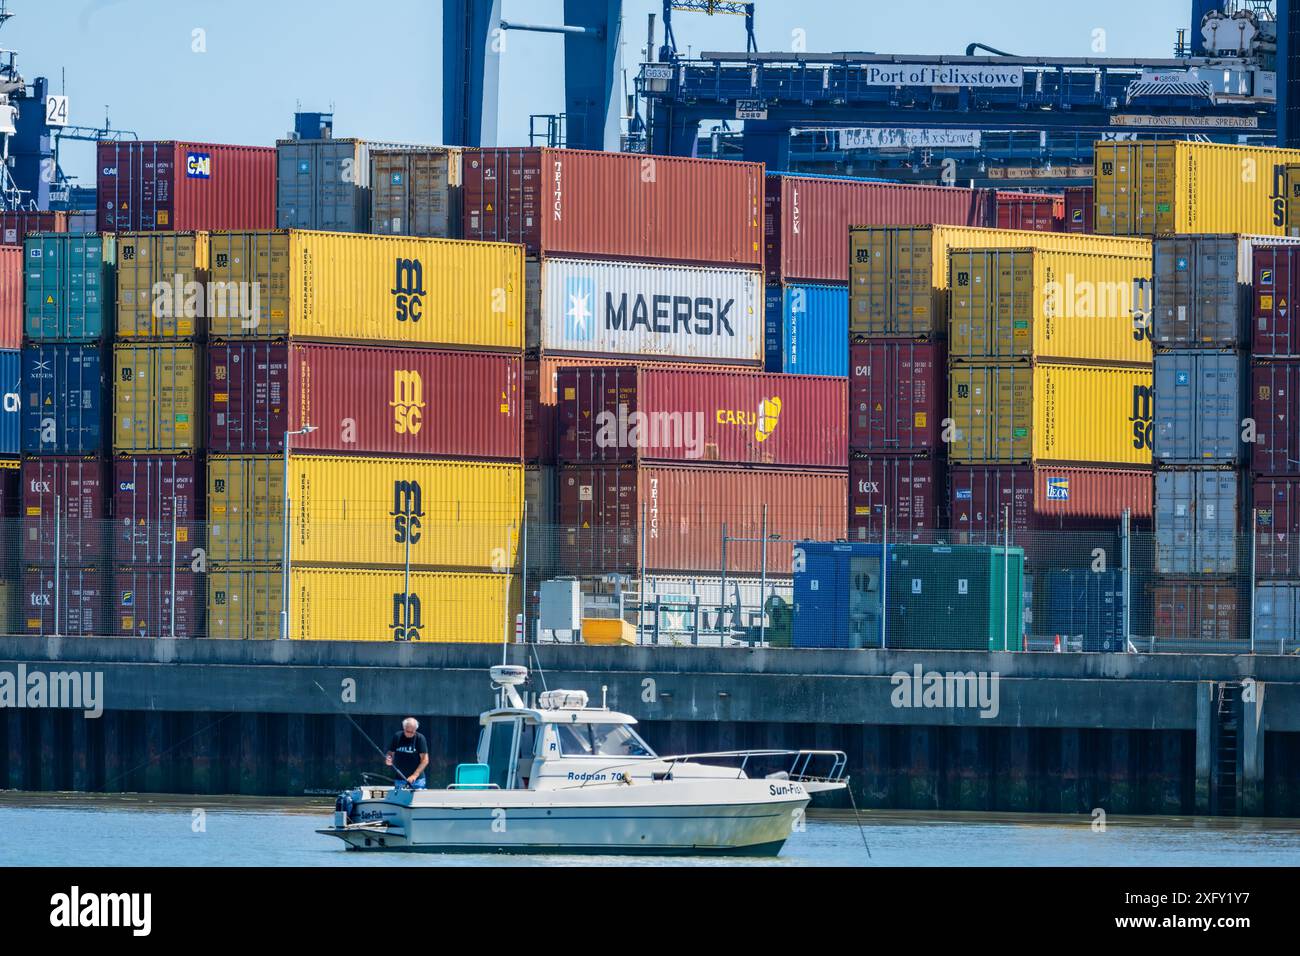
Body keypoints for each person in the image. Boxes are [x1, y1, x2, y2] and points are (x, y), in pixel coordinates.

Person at [385, 717, 429, 790]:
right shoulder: (397, 736)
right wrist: (388, 759)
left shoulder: (420, 738)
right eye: (407, 731)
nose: (410, 734)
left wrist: (414, 775)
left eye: (412, 732)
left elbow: (425, 760)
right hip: (400, 779)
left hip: (417, 780)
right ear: (404, 728)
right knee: (399, 800)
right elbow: (390, 753)